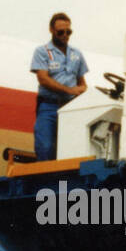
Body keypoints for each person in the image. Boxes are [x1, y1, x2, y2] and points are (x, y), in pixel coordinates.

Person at [29, 12, 88, 161]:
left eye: (69, 32)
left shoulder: (77, 54)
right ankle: (44, 180)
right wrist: (69, 90)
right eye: (61, 32)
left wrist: (81, 90)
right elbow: (43, 79)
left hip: (70, 108)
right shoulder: (42, 52)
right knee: (46, 146)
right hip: (48, 106)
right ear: (51, 30)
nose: (65, 35)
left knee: (70, 147)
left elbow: (82, 83)